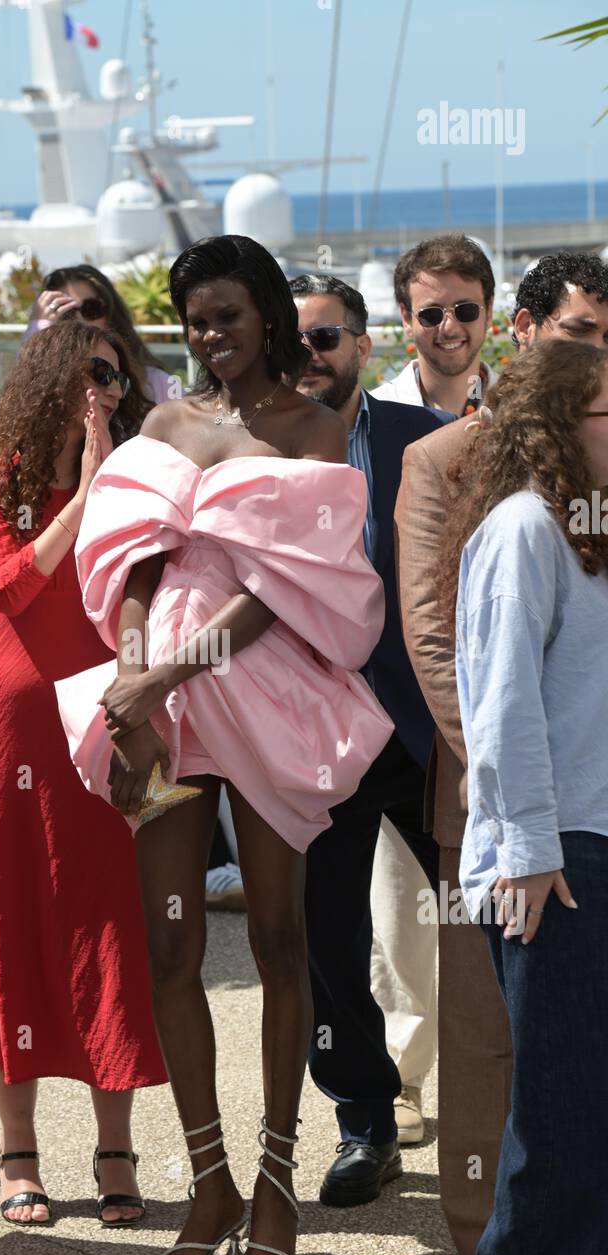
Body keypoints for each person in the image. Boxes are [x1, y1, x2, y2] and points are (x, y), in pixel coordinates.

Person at [55, 235, 393, 1255]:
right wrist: (132, 688)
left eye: (228, 318)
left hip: (269, 696)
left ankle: (279, 1179)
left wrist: (165, 678)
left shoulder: (314, 427)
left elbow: (282, 589)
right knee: (170, 949)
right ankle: (209, 1182)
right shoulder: (163, 423)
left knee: (287, 941)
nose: (210, 337)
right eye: (196, 321)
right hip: (165, 706)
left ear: (269, 321)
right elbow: (135, 567)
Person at [394, 249, 608, 1255]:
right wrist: (520, 837)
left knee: (583, 1104)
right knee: (534, 1095)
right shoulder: (507, 516)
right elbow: (483, 681)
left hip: (588, 829)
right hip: (540, 844)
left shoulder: (592, 527)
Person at [0, 319, 168, 1233]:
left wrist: (116, 474)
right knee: (9, 923)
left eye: (114, 374)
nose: (102, 390)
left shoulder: (141, 467)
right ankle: (17, 1150)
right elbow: (6, 581)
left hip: (102, 729)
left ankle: (117, 1151)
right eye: (87, 373)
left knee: (109, 925)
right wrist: (89, 486)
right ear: (46, 379)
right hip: (2, 733)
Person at [289, 273, 442, 1183]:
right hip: (316, 736)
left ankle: (496, 1115)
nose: (311, 356)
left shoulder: (422, 438)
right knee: (330, 934)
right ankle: (365, 1121)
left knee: (481, 921)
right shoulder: (257, 451)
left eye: (327, 338)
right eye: (297, 340)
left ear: (363, 346)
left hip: (426, 732)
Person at [372, 234, 495, 418]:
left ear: (489, 312)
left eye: (466, 310)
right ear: (406, 318)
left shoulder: (524, 411)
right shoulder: (374, 418)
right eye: (431, 315)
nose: (449, 328)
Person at [27, 263, 182, 406]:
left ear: (111, 316)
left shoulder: (157, 383)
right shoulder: (46, 386)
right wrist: (37, 330)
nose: (80, 322)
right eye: (66, 313)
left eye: (91, 308)